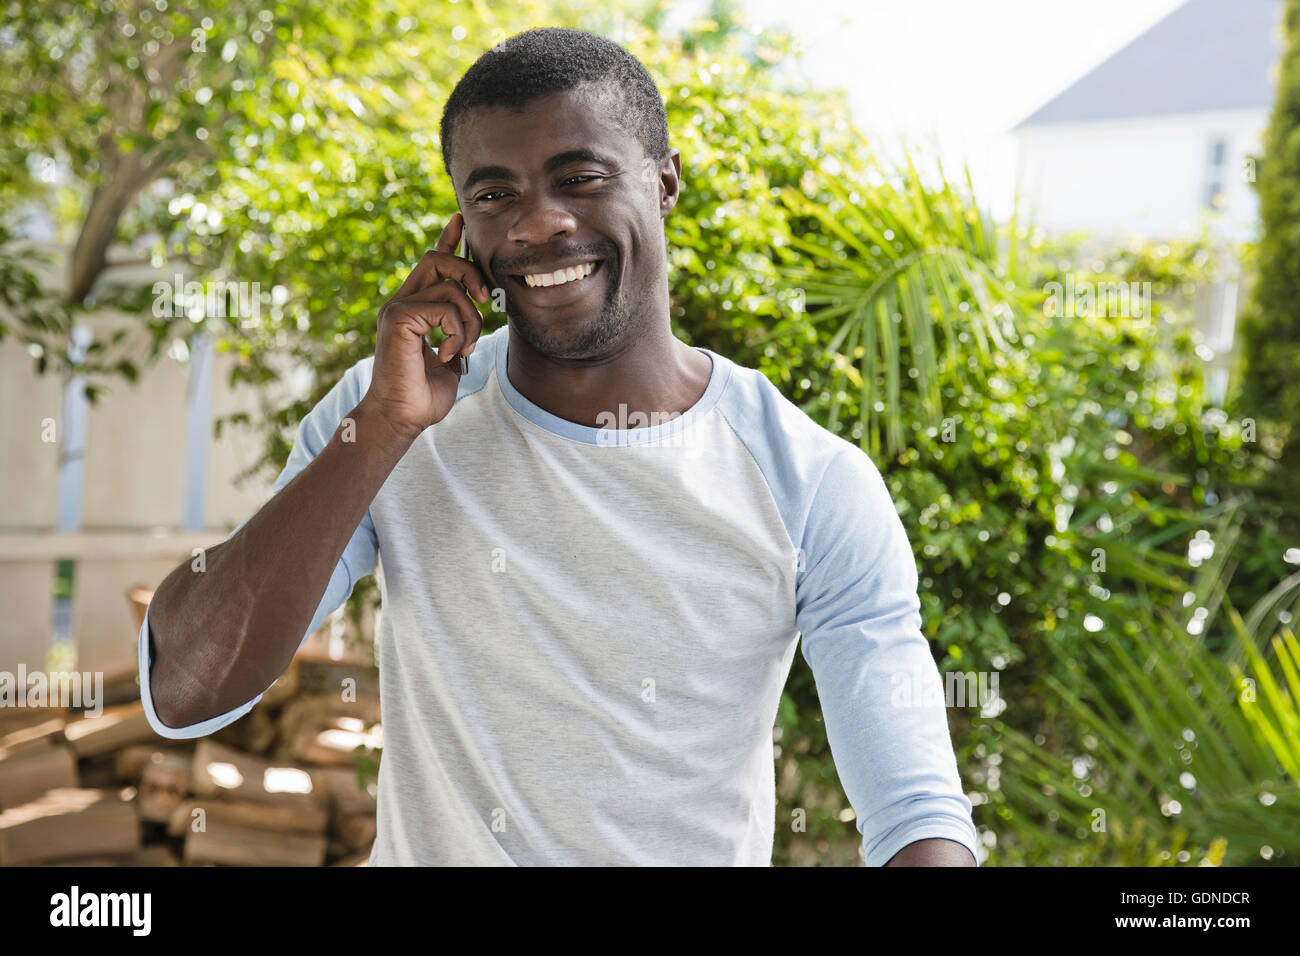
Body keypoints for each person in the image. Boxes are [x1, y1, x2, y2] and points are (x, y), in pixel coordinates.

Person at [140, 27, 978, 867]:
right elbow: (184, 690)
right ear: (460, 226)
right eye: (494, 193)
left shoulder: (810, 481)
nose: (540, 222)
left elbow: (915, 813)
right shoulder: (382, 422)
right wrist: (385, 431)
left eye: (579, 177)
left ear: (665, 182)